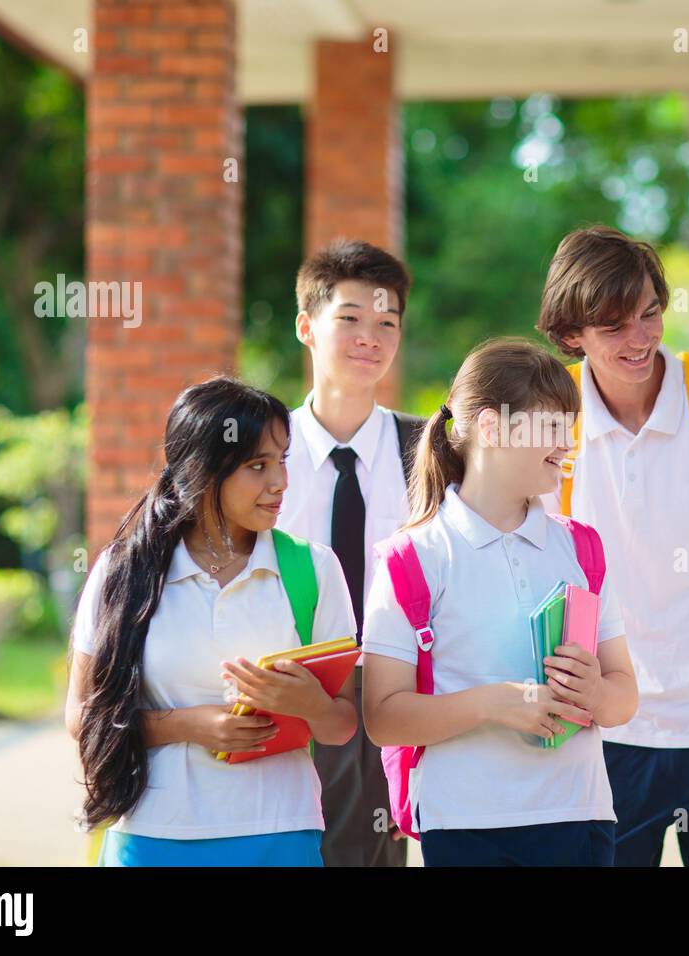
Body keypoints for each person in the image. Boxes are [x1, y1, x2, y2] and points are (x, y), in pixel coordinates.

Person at [536, 225, 689, 866]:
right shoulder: (550, 420)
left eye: (650, 314)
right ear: (572, 333)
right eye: (615, 326)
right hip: (605, 727)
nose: (641, 338)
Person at [361, 338, 639, 866]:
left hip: (580, 816)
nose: (569, 443)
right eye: (553, 427)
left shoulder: (581, 547)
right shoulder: (413, 557)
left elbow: (624, 699)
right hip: (465, 825)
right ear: (491, 428)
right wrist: (494, 705)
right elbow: (384, 718)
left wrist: (596, 691)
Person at [65, 377, 358, 866]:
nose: (280, 482)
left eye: (282, 461)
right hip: (152, 835)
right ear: (203, 472)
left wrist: (308, 704)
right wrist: (186, 726)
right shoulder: (123, 572)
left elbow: (342, 727)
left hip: (280, 833)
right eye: (257, 466)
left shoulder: (315, 569)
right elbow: (81, 715)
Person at [276, 239, 423, 866]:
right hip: (291, 681)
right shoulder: (262, 451)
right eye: (351, 318)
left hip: (396, 687)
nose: (371, 337)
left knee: (379, 855)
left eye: (387, 322)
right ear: (307, 326)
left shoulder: (428, 451)